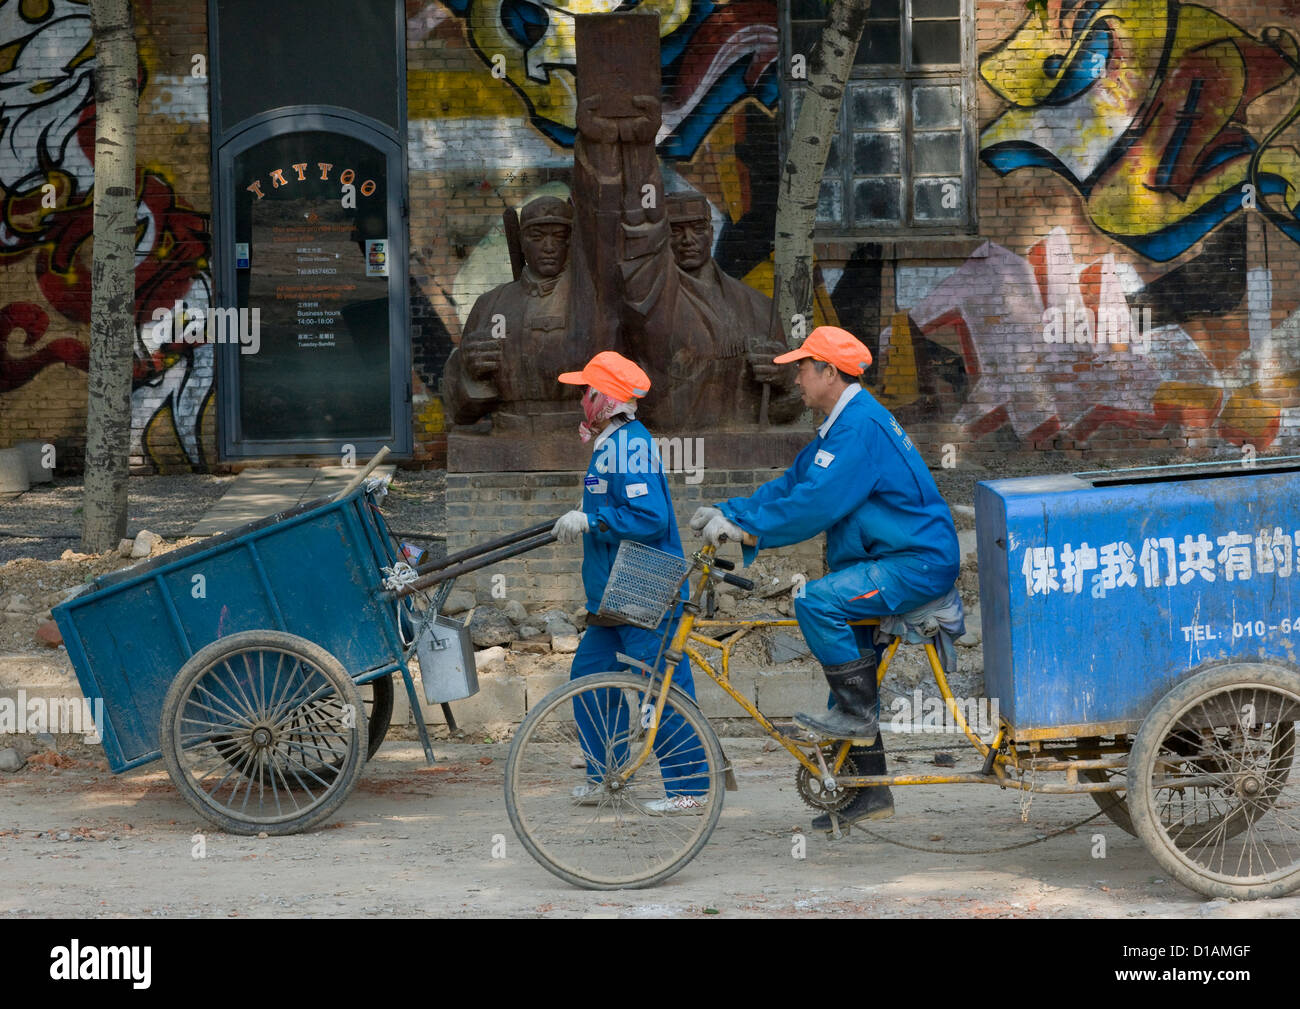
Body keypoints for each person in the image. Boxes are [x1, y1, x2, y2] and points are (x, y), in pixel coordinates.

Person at [691, 326, 961, 830]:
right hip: (886, 559)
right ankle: (869, 793)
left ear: (829, 372)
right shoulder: (842, 424)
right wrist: (730, 511)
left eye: (802, 367)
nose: (795, 378)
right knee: (852, 668)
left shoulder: (859, 429)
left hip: (915, 562)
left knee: (815, 602)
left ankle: (858, 718)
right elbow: (794, 485)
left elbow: (816, 505)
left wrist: (746, 529)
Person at [550, 351, 711, 814]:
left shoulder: (631, 446)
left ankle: (691, 790)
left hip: (644, 586)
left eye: (587, 390)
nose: (582, 398)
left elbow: (649, 517)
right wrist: (590, 518)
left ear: (605, 399)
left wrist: (591, 520)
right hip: (612, 593)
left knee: (661, 685)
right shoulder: (610, 443)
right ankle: (607, 775)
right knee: (588, 678)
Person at [441, 196, 588, 431]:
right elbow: (459, 411)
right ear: (521, 242)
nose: (549, 247)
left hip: (576, 431)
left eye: (559, 237)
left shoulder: (590, 302)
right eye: (537, 237)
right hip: (506, 431)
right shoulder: (490, 303)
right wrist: (468, 366)